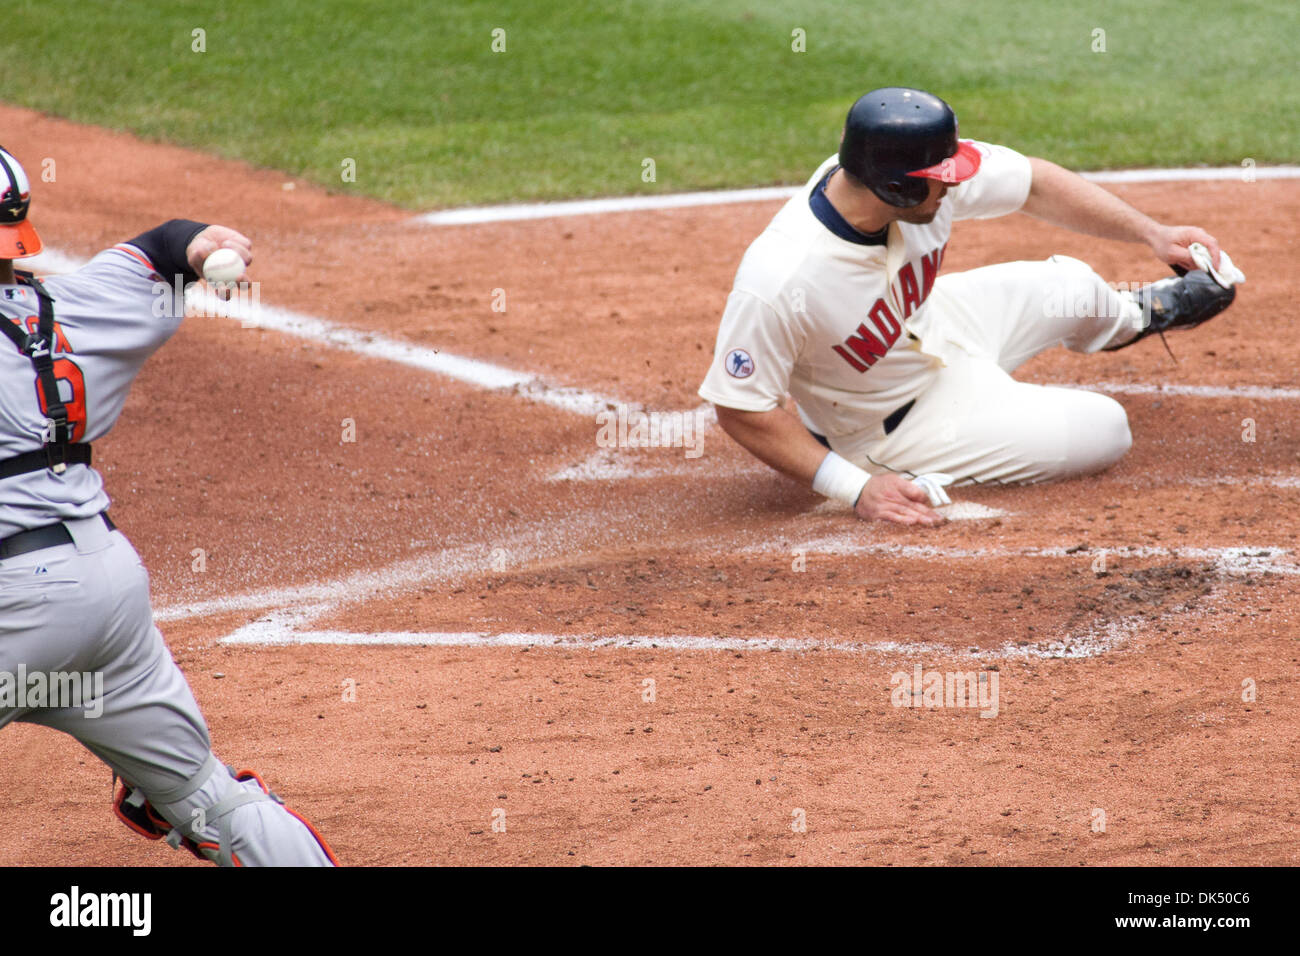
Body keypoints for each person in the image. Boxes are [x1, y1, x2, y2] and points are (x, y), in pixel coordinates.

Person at [0, 145, 336, 866]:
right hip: (103, 594)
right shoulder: (77, 310)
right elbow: (160, 254)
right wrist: (199, 241)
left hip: (13, 610)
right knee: (207, 797)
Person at [698, 87, 1243, 526]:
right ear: (896, 189)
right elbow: (741, 407)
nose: (955, 187)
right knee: (1106, 429)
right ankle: (945, 430)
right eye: (943, 182)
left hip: (940, 323)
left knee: (1074, 285)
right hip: (889, 426)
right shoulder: (780, 279)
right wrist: (856, 487)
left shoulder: (905, 174)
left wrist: (1153, 233)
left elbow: (1034, 184)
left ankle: (1137, 316)